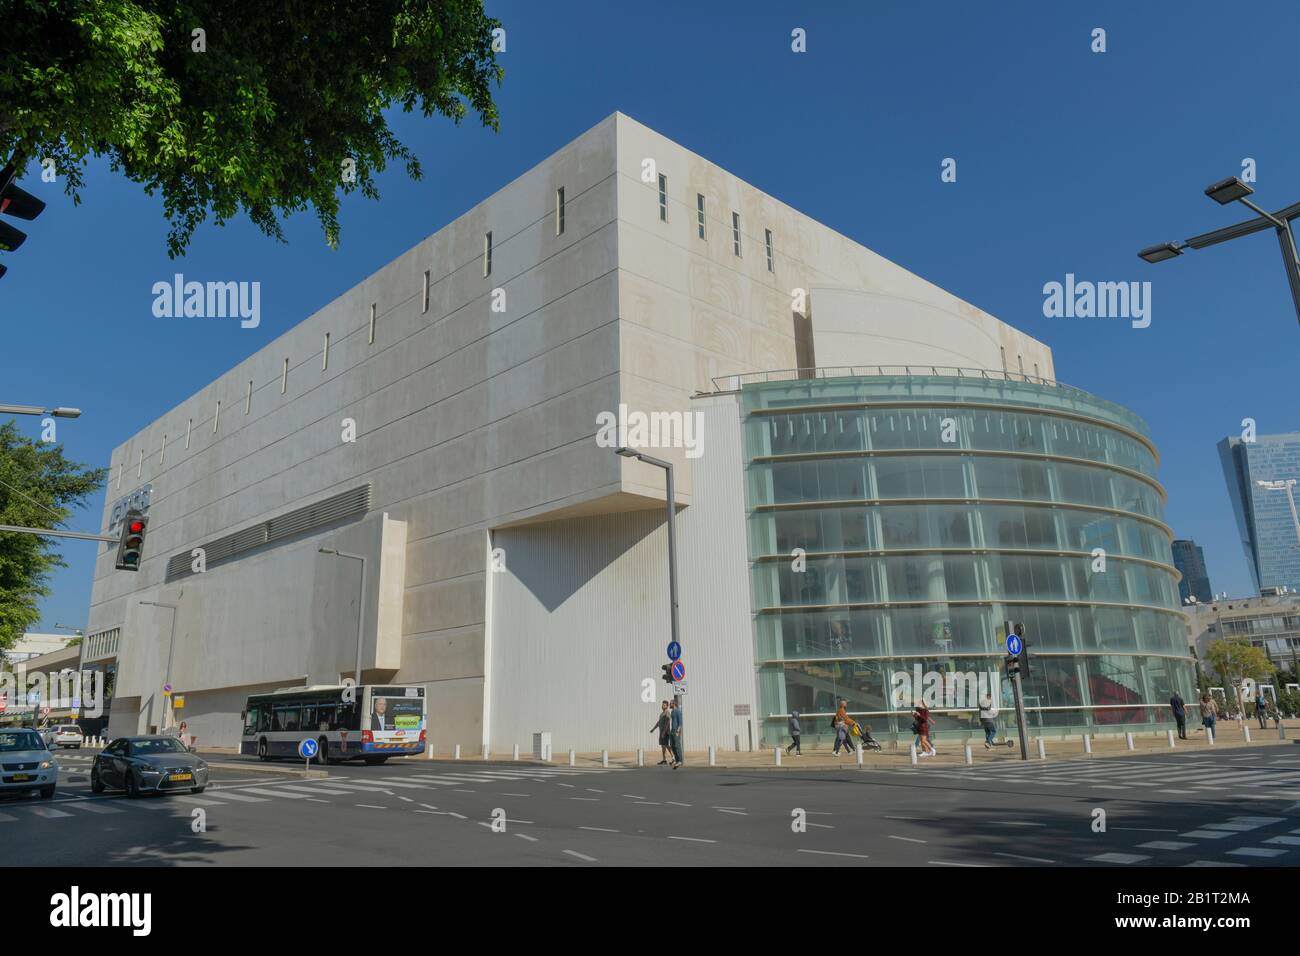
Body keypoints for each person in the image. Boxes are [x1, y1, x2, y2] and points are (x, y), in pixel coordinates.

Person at [650, 701, 672, 765]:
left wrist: (664, 732)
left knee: (667, 745)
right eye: (662, 705)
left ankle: (673, 758)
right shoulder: (662, 713)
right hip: (661, 732)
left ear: (667, 706)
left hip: (665, 732)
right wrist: (653, 729)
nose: (662, 706)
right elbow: (659, 723)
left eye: (664, 705)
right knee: (663, 746)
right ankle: (664, 760)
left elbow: (667, 723)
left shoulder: (667, 713)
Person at [669, 698, 683, 768]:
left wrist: (678, 731)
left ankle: (680, 761)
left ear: (674, 703)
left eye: (670, 703)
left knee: (677, 746)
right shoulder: (672, 711)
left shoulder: (678, 711)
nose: (669, 704)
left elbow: (680, 722)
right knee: (672, 745)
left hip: (676, 730)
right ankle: (677, 760)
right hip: (672, 730)